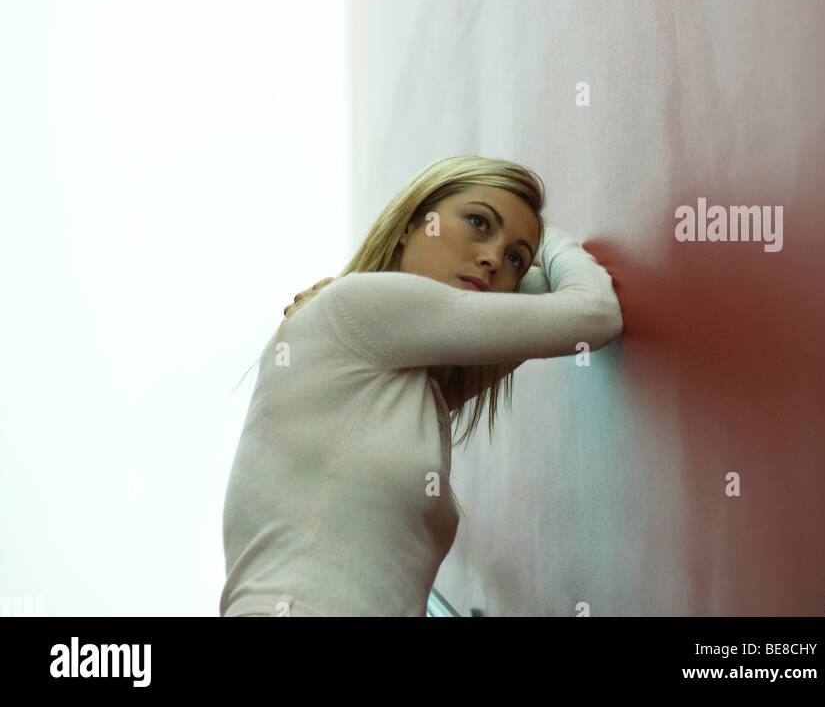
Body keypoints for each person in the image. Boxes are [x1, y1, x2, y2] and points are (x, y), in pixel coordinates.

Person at [219, 153, 623, 617]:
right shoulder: (361, 304)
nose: (493, 258)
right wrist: (552, 240)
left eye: (515, 256)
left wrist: (534, 251)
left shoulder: (406, 388)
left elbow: (548, 300)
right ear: (411, 224)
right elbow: (593, 315)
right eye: (477, 222)